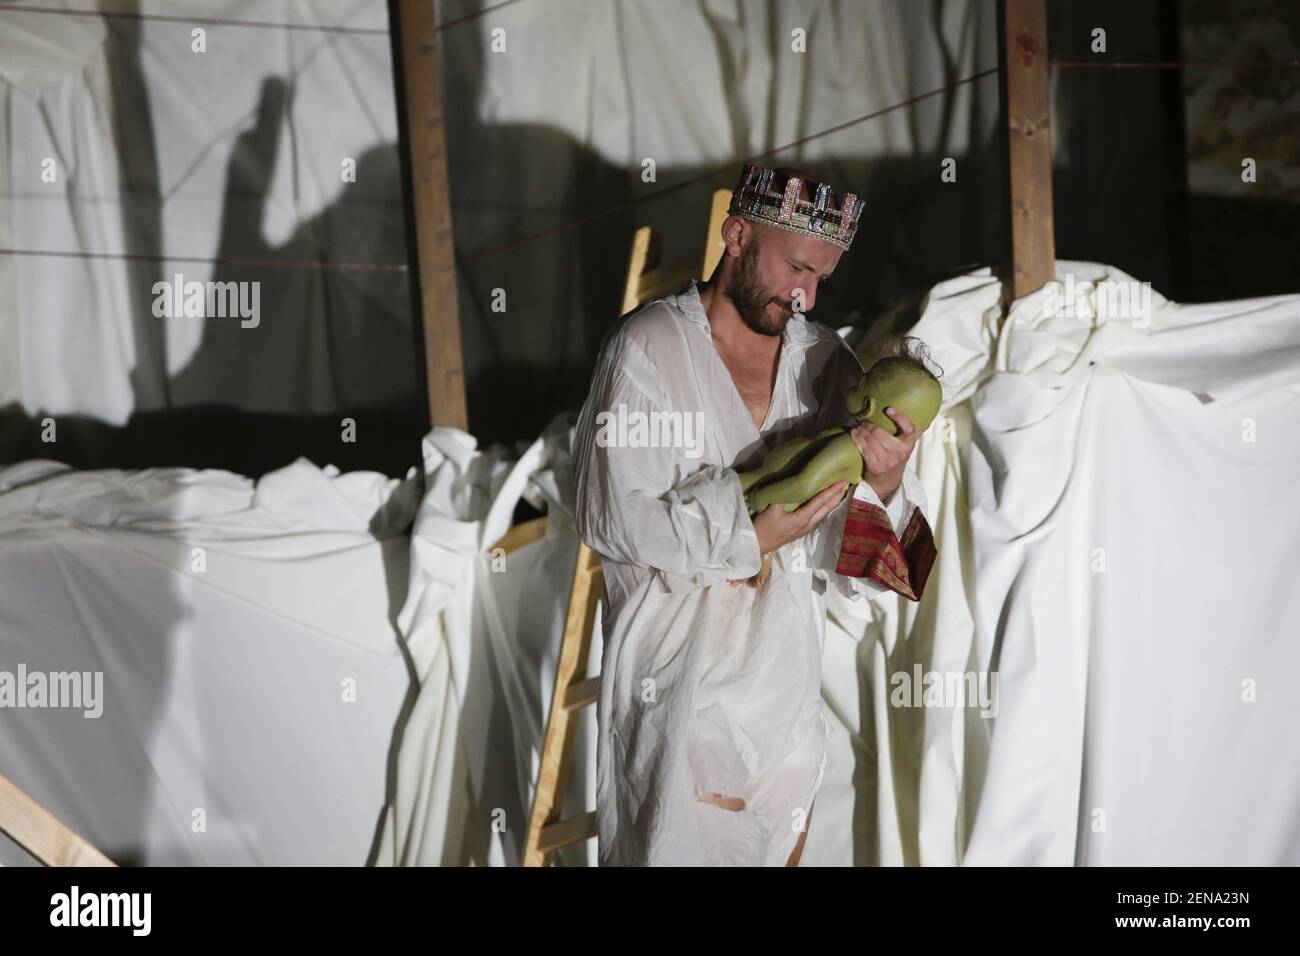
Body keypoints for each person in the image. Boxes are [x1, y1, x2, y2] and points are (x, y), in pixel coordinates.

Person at [572, 164, 938, 866]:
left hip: (781, 690)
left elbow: (873, 566)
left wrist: (887, 476)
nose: (805, 293)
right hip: (679, 682)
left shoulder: (824, 362)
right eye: (796, 267)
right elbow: (612, 518)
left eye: (822, 279)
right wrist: (751, 533)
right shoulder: (648, 349)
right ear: (736, 235)